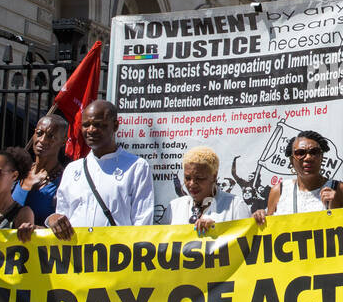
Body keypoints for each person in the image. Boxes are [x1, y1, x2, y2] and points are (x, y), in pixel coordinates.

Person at [46, 100, 154, 237]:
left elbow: (142, 222)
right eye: (85, 125)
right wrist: (53, 219)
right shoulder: (72, 169)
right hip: (76, 255)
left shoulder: (136, 167)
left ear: (115, 126)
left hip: (118, 255)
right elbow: (62, 216)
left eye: (97, 124)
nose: (90, 130)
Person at [263, 130, 343, 216]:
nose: (308, 157)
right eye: (300, 153)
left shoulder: (338, 189)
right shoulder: (279, 191)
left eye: (314, 152)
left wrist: (337, 209)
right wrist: (260, 219)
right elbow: (269, 230)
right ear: (292, 160)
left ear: (322, 157)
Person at [164, 146, 252, 231]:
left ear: (214, 176)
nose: (192, 184)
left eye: (199, 178)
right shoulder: (174, 208)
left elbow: (247, 243)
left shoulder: (235, 206)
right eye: (187, 178)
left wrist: (216, 231)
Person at [19, 115, 68, 224]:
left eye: (51, 136)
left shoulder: (65, 181)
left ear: (64, 141)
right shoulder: (18, 172)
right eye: (39, 133)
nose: (42, 140)